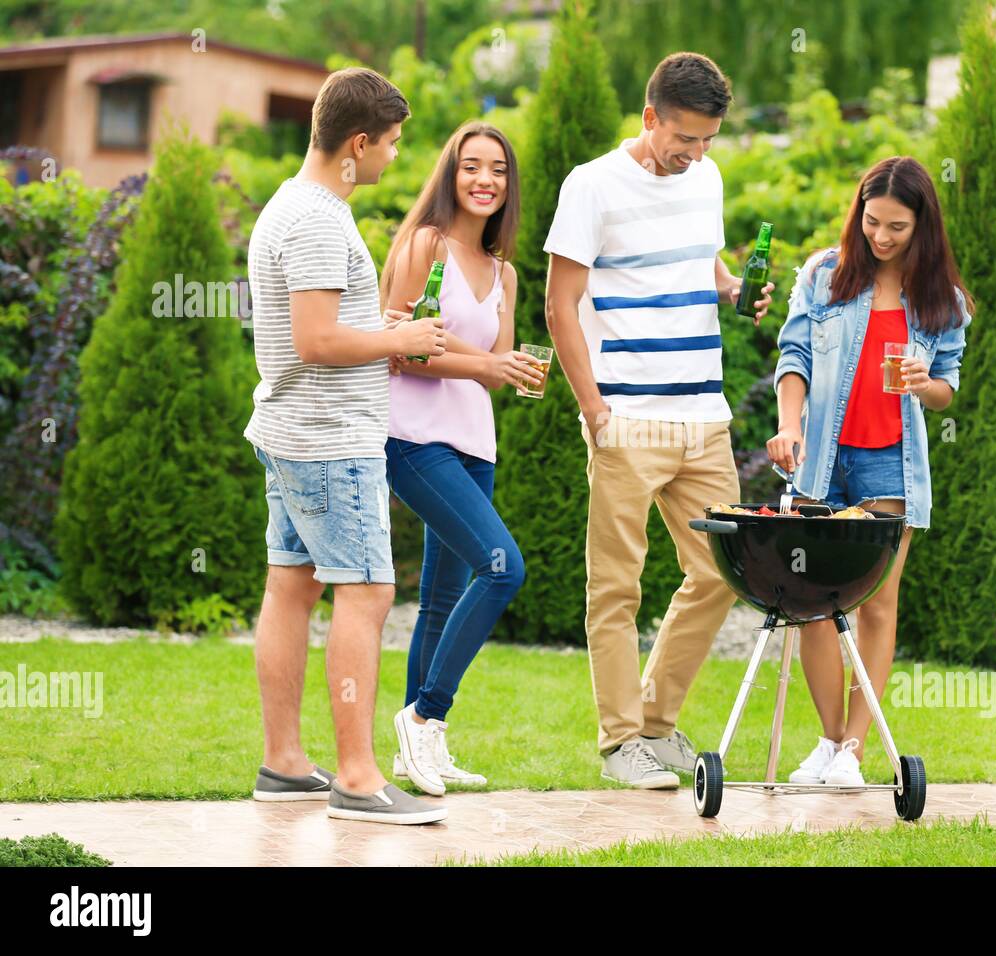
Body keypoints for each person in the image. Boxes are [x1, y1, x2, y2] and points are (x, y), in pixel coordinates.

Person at [544, 52, 774, 788]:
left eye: (708, 140)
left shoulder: (705, 178)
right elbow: (558, 306)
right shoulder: (591, 186)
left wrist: (736, 289)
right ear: (650, 118)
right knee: (616, 586)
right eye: (685, 139)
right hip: (627, 417)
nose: (696, 154)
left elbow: (702, 263)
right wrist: (595, 410)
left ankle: (655, 720)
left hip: (702, 413)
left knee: (720, 570)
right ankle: (620, 744)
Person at [244, 67, 449, 825]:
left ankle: (285, 764)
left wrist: (382, 335)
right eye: (391, 144)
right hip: (331, 440)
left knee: (292, 587)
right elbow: (317, 339)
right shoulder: (319, 221)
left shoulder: (291, 207)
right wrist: (398, 337)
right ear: (357, 144)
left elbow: (323, 332)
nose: (396, 158)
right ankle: (359, 780)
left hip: (296, 432)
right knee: (366, 592)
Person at [767, 155, 973, 788]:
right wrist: (789, 424)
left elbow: (948, 388)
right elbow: (794, 354)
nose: (880, 237)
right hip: (821, 457)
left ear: (923, 227)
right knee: (812, 605)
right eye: (872, 220)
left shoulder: (943, 300)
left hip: (890, 462)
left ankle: (853, 751)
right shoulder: (824, 274)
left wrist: (925, 383)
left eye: (897, 228)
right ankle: (830, 744)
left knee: (878, 605)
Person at [380, 121, 542, 797]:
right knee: (502, 566)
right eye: (471, 166)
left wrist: (512, 370)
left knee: (441, 602)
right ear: (450, 175)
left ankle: (423, 752)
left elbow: (489, 371)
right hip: (415, 438)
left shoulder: (502, 272)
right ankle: (423, 713)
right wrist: (487, 362)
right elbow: (397, 347)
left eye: (498, 170)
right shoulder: (426, 245)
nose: (485, 179)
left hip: (475, 443)